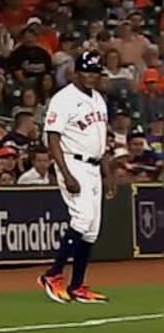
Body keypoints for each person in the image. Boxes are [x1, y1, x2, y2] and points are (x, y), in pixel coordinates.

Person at [39, 49, 114, 304]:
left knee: (92, 230)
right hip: (73, 162)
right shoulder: (64, 99)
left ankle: (78, 285)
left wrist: (107, 171)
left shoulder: (98, 99)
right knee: (82, 220)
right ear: (76, 72)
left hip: (93, 166)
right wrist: (66, 172)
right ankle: (53, 274)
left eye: (96, 72)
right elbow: (52, 137)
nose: (92, 76)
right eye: (87, 71)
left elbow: (101, 139)